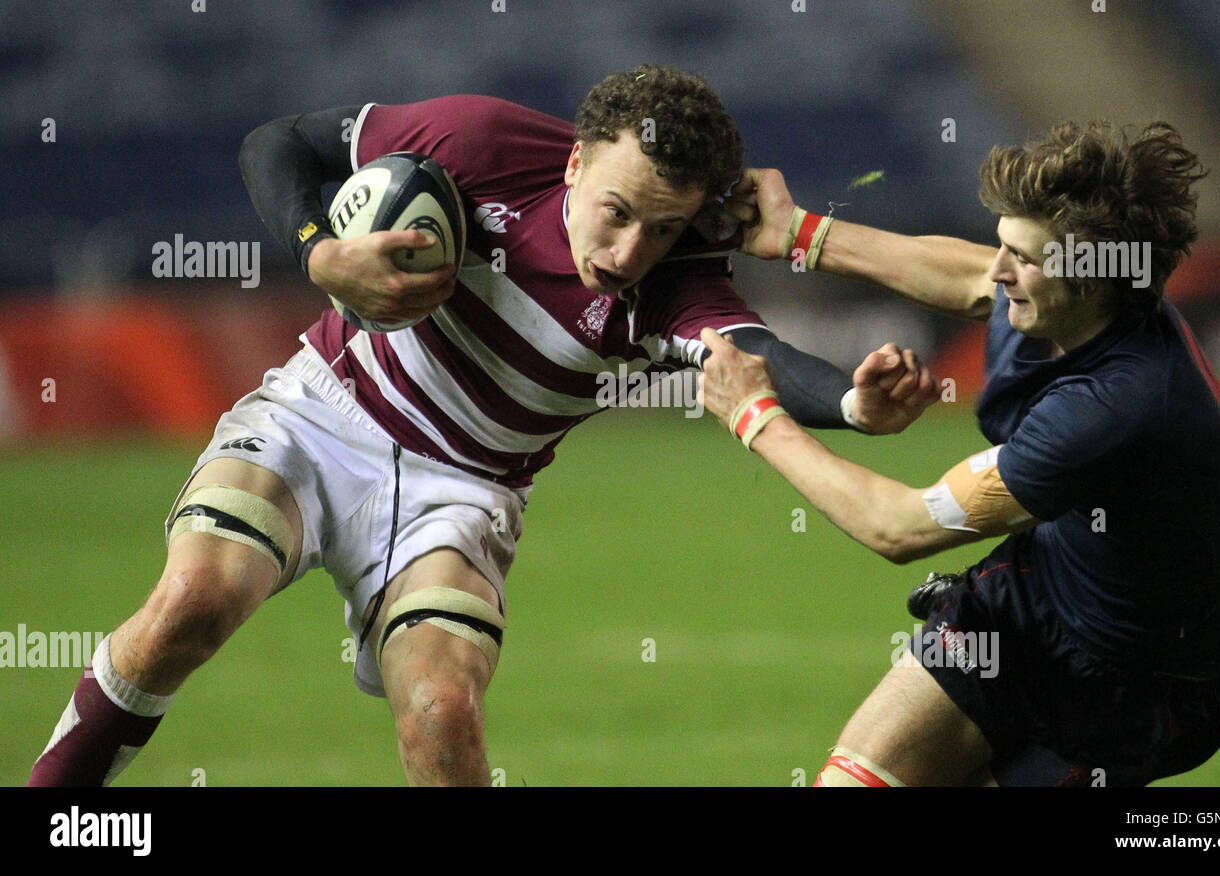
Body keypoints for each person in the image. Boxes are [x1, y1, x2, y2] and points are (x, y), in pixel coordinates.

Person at [27, 65, 875, 787]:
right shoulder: (480, 144)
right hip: (325, 412)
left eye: (661, 229)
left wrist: (851, 404)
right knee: (192, 601)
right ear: (577, 163)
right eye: (617, 212)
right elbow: (277, 143)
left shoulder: (674, 287)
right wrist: (321, 251)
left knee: (441, 713)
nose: (626, 253)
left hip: (463, 495)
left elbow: (762, 357)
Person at [699, 121, 1220, 786]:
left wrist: (754, 413)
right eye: (1005, 245)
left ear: (1089, 279)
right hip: (1035, 598)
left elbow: (900, 526)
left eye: (1021, 259)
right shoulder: (1072, 303)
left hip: (1141, 689)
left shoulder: (1114, 407)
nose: (999, 270)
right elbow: (972, 275)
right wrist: (800, 233)